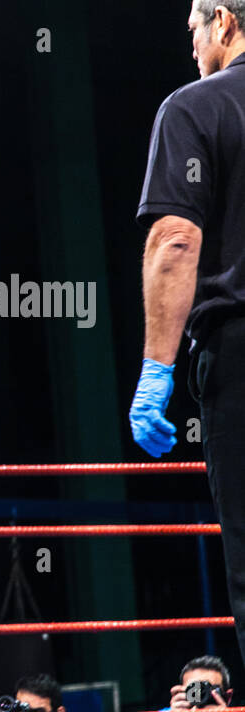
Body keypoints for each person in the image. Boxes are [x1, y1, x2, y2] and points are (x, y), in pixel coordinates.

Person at [130, 1, 245, 668]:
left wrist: (156, 373)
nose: (192, 47)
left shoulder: (196, 106)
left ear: (224, 21)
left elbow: (175, 242)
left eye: (195, 30)